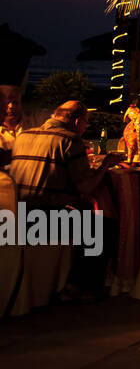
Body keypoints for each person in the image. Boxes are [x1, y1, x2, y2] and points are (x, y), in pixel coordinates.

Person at [7, 101, 115, 298]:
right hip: (41, 219)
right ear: (76, 120)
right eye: (85, 124)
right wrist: (106, 164)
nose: (85, 128)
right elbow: (86, 187)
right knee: (103, 226)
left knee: (83, 215)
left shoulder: (24, 136)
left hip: (14, 214)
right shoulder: (69, 140)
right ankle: (80, 287)